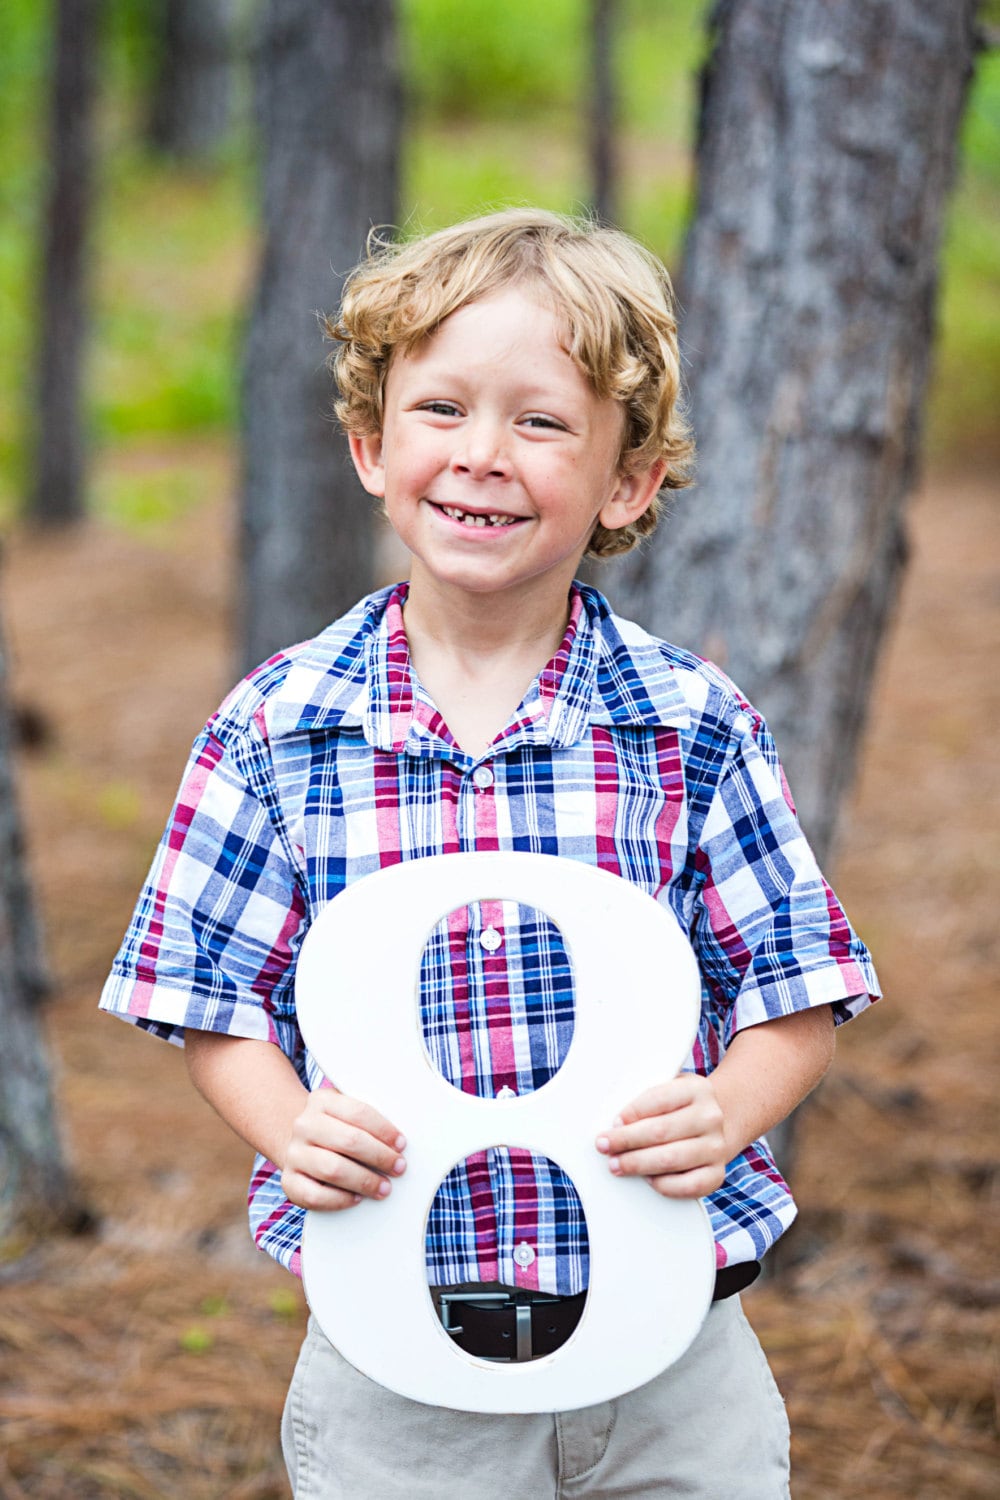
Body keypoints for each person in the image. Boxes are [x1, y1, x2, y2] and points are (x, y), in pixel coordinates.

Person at [100, 207, 880, 1498]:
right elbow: (204, 996)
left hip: (670, 1346)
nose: (482, 456)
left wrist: (727, 1112)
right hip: (398, 1340)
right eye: (442, 410)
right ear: (370, 445)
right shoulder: (280, 727)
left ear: (628, 481)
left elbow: (799, 993)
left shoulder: (686, 726)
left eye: (542, 421)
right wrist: (290, 1129)